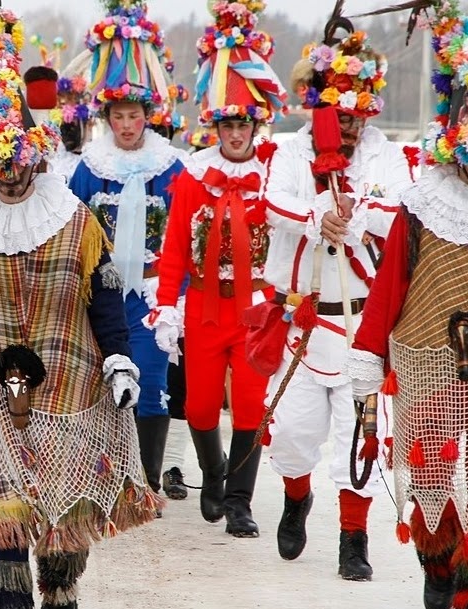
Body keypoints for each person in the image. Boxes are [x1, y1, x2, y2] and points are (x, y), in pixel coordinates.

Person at [0, 4, 158, 606]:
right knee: (4, 512)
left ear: (36, 154)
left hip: (70, 384)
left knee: (61, 515)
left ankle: (60, 590)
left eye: (18, 162)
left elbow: (105, 299)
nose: (9, 176)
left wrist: (120, 360)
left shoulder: (74, 219)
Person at [349, 3, 468, 608]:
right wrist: (365, 360)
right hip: (428, 369)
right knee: (433, 495)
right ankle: (438, 573)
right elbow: (388, 292)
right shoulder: (421, 205)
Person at [261, 10, 413, 581]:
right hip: (304, 318)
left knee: (362, 437)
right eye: (338, 117)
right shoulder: (290, 152)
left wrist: (360, 216)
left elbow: (403, 211)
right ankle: (296, 497)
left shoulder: (386, 156)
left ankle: (354, 537)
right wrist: (316, 217)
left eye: (355, 117)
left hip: (362, 325)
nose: (347, 128)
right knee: (295, 435)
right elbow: (272, 204)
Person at [149, 0, 288, 537]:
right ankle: (211, 473)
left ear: (255, 124)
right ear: (216, 126)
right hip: (205, 304)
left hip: (254, 307)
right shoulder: (193, 175)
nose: (235, 133)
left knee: (251, 405)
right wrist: (166, 304)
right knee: (203, 405)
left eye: (243, 123)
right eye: (227, 123)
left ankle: (240, 502)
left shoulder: (274, 171)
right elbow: (176, 249)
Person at [68, 0, 187, 511]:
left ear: (147, 116)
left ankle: (148, 480)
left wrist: (176, 295)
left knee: (154, 380)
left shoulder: (171, 165)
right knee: (104, 379)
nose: (126, 124)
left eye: (134, 115)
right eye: (117, 115)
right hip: (104, 289)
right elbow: (72, 225)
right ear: (108, 118)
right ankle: (106, 475)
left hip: (156, 289)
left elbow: (185, 233)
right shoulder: (91, 166)